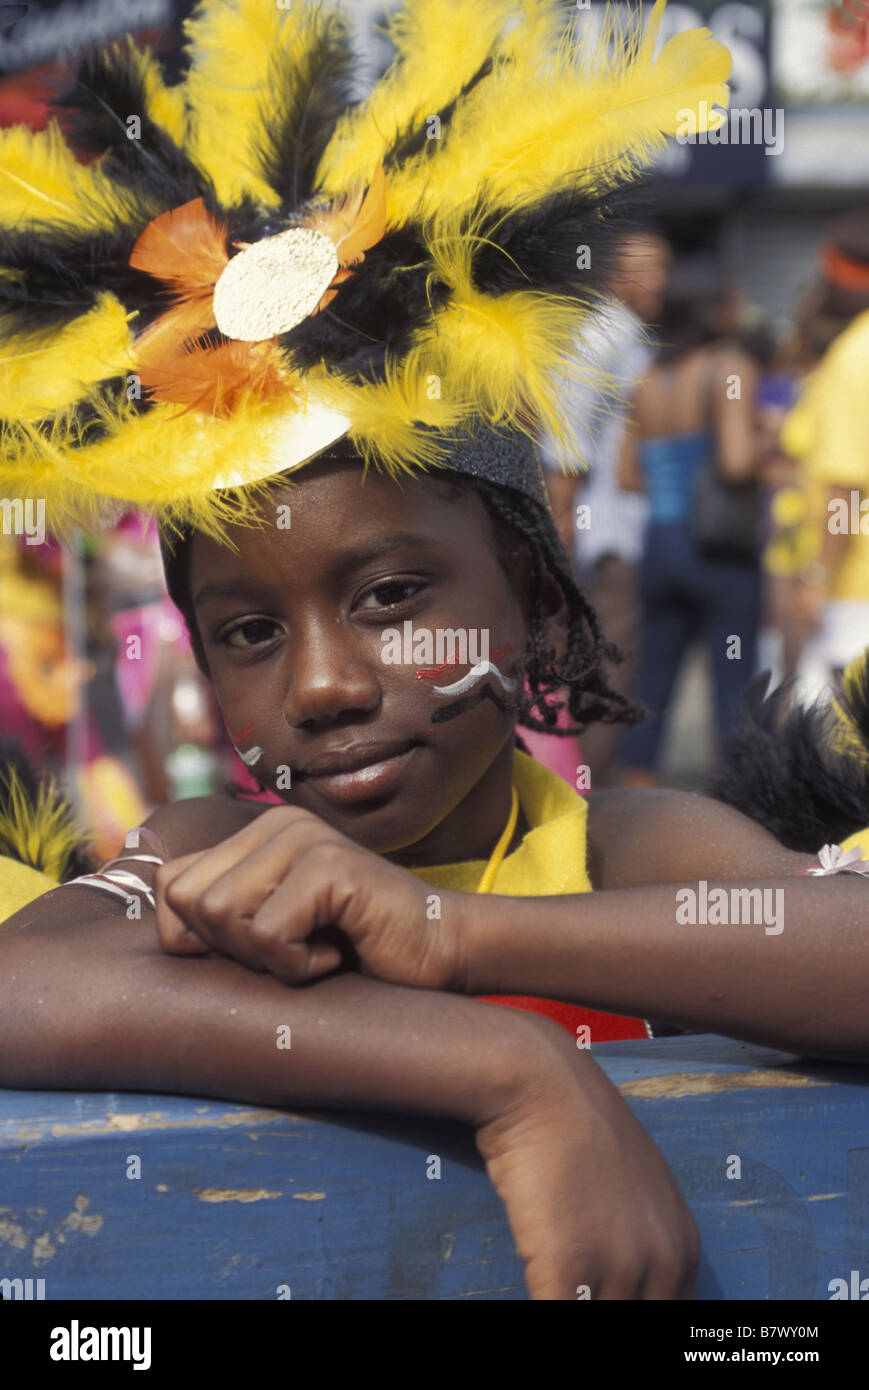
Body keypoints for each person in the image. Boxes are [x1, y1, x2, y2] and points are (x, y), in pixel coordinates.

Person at [6, 0, 869, 1305]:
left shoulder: (625, 856)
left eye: (395, 593)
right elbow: (22, 988)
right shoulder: (198, 863)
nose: (324, 685)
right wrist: (508, 1070)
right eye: (248, 632)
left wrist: (443, 933)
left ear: (525, 595)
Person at [618, 267, 761, 785]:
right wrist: (771, 438)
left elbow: (628, 476)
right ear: (715, 309)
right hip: (718, 548)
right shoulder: (730, 365)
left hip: (661, 543)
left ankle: (636, 803)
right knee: (733, 681)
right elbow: (737, 463)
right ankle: (740, 810)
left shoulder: (647, 376)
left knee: (652, 680)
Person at [538, 227, 670, 788]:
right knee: (604, 664)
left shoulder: (626, 333)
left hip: (613, 528)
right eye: (650, 270)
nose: (662, 282)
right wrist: (563, 522)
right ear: (614, 274)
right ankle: (583, 793)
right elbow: (570, 437)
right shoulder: (605, 333)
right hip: (604, 535)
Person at [781, 212, 869, 703]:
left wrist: (818, 578)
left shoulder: (855, 356)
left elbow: (845, 489)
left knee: (829, 751)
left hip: (857, 591)